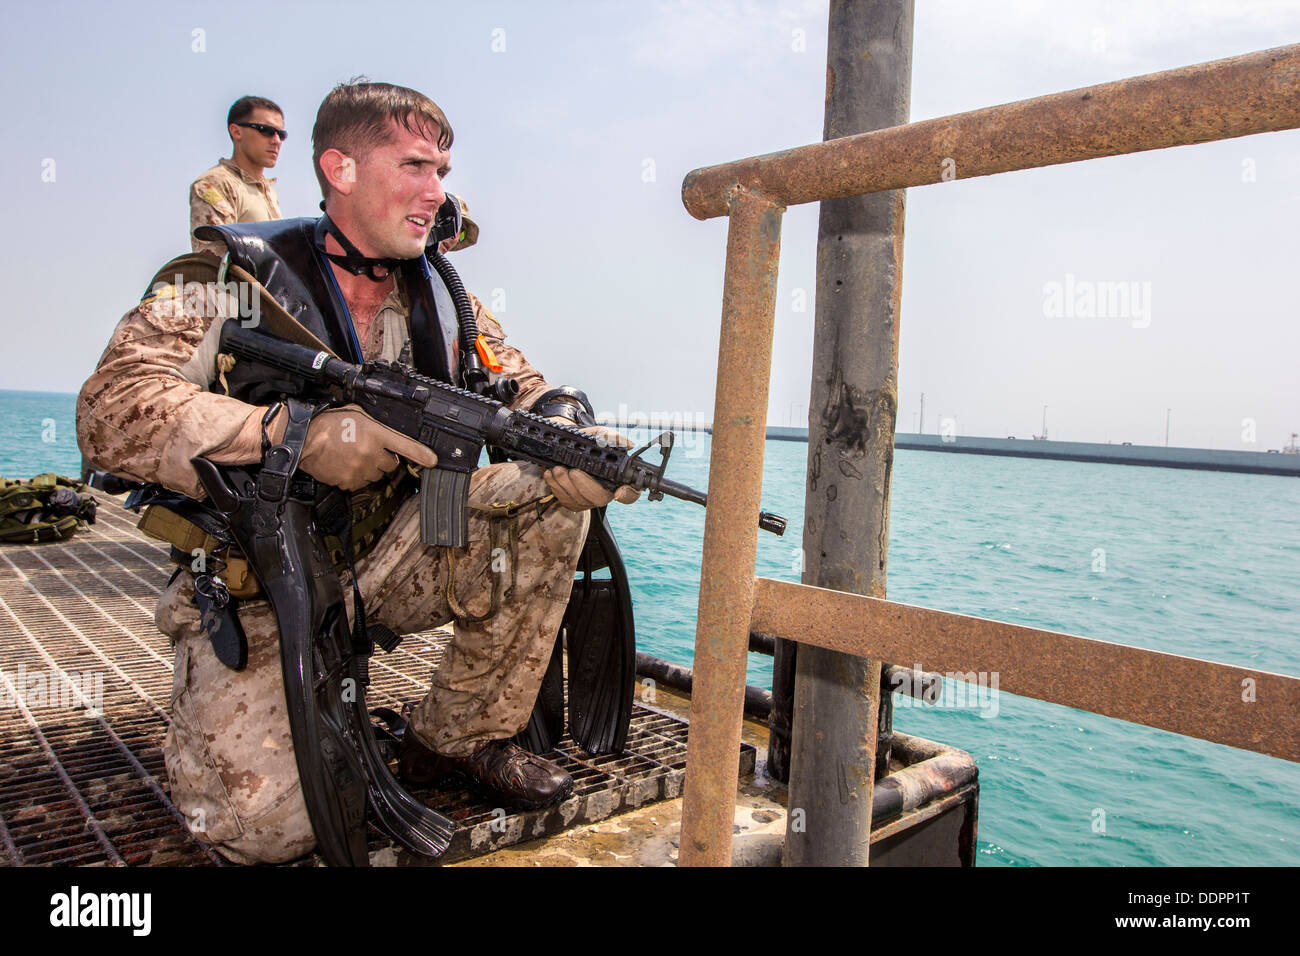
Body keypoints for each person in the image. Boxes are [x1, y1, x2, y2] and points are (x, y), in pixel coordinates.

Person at [77, 80, 636, 864]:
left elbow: (524, 386)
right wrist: (286, 433)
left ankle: (454, 739)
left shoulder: (442, 293)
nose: (437, 191)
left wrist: (578, 440)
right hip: (265, 583)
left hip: (395, 555)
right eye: (414, 166)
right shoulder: (222, 277)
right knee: (265, 835)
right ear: (340, 170)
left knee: (551, 502)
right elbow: (109, 410)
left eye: (441, 169)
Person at [189, 96, 285, 255]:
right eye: (266, 131)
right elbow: (214, 262)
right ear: (236, 131)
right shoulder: (213, 184)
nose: (276, 140)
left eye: (281, 134)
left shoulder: (268, 191)